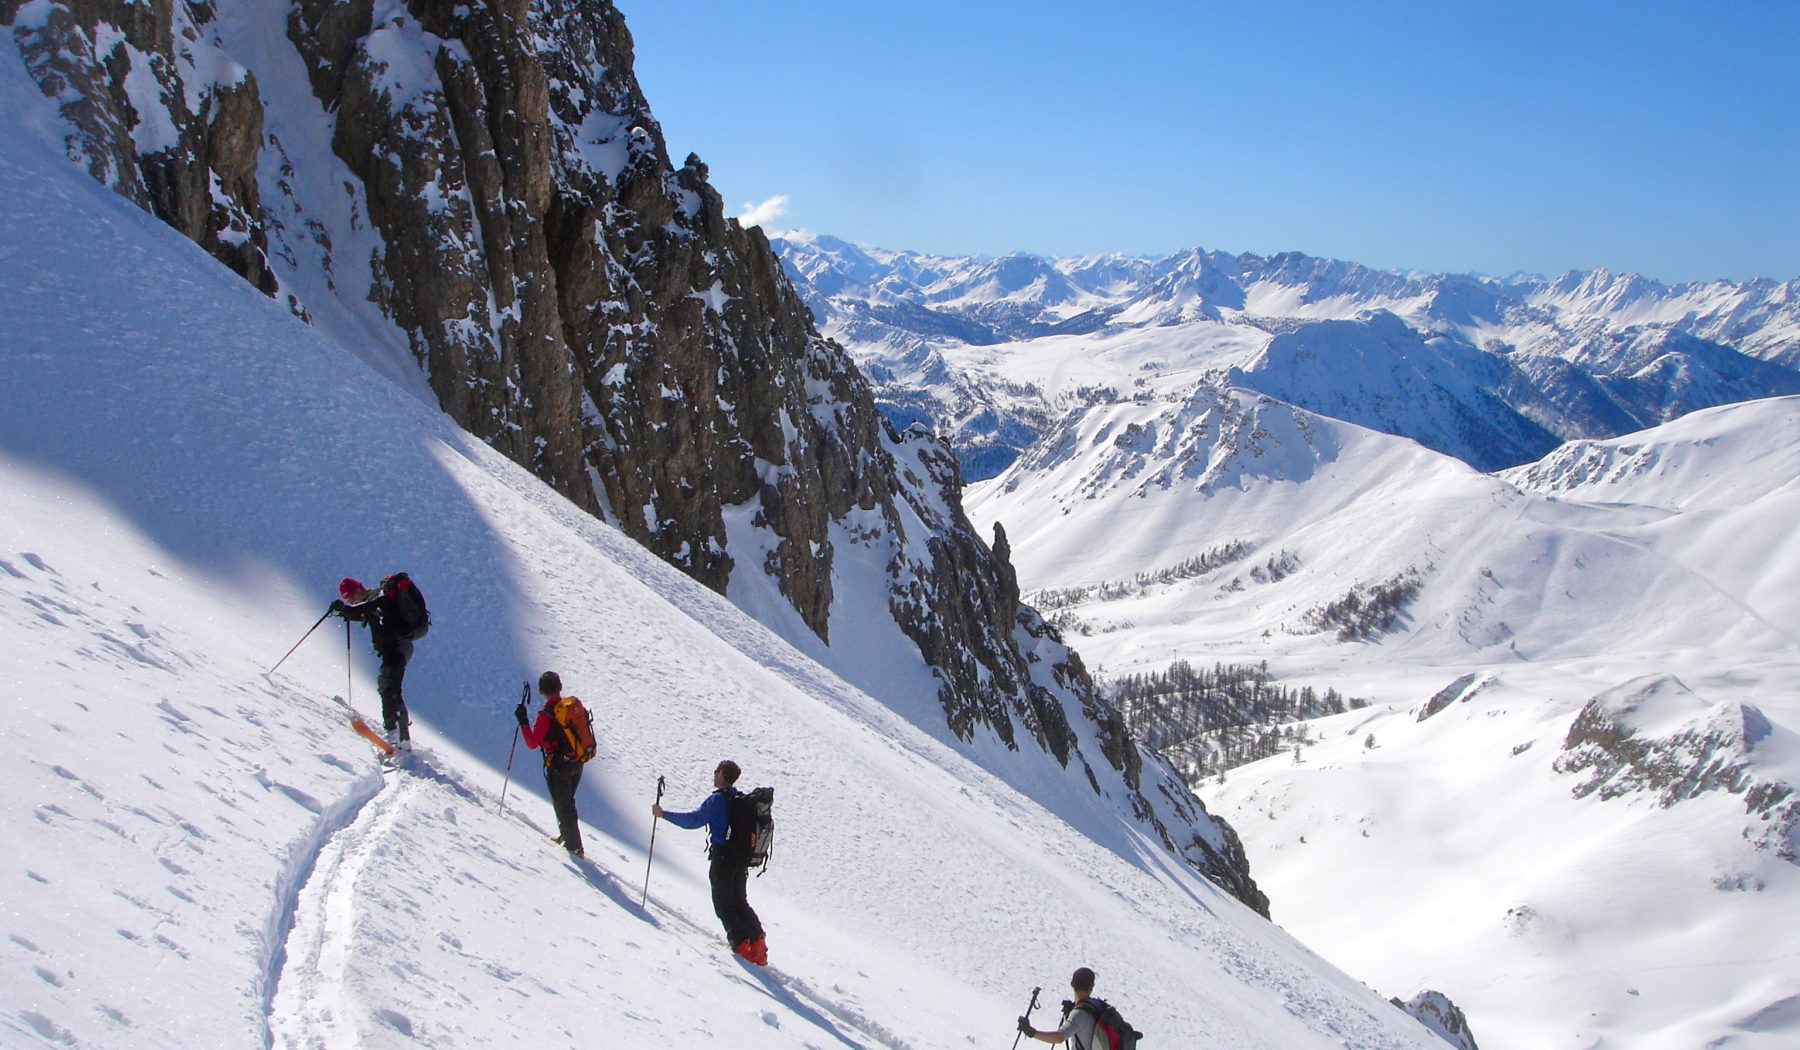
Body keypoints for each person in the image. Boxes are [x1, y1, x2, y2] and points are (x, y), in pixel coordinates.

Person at [653, 760, 767, 965]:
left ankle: (742, 946)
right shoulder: (740, 800)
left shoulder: (718, 800)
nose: (714, 775)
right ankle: (758, 944)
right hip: (741, 860)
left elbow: (694, 820)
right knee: (740, 901)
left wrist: (664, 814)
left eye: (716, 772)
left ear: (722, 774)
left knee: (724, 905)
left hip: (723, 858)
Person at [331, 576, 412, 745]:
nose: (353, 602)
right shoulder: (370, 603)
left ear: (359, 589)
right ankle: (402, 738)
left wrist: (347, 610)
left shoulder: (378, 597)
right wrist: (345, 611)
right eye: (349, 600)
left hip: (398, 647)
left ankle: (394, 733)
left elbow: (367, 610)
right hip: (394, 649)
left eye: (352, 598)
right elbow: (362, 614)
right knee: (391, 688)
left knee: (387, 685)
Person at [516, 671, 588, 859]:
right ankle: (566, 837)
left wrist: (523, 722)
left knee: (564, 805)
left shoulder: (546, 715)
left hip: (558, 766)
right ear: (560, 687)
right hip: (577, 762)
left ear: (541, 691)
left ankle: (575, 848)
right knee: (566, 802)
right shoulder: (570, 709)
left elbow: (532, 743)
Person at [1019, 967, 1100, 1047]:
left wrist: (1031, 1032)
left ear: (1072, 983)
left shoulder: (1079, 1014)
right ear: (1092, 986)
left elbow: (1059, 1037)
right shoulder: (1098, 1005)